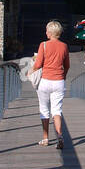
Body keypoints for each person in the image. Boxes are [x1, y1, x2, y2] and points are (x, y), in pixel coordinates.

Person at [31, 20, 70, 150]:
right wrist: (63, 77)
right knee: (57, 111)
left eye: (47, 30)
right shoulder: (64, 46)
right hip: (59, 81)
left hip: (45, 81)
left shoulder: (44, 45)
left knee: (44, 110)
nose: (46, 32)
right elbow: (67, 66)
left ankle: (45, 138)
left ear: (51, 32)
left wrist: (29, 72)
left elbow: (38, 65)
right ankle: (60, 136)